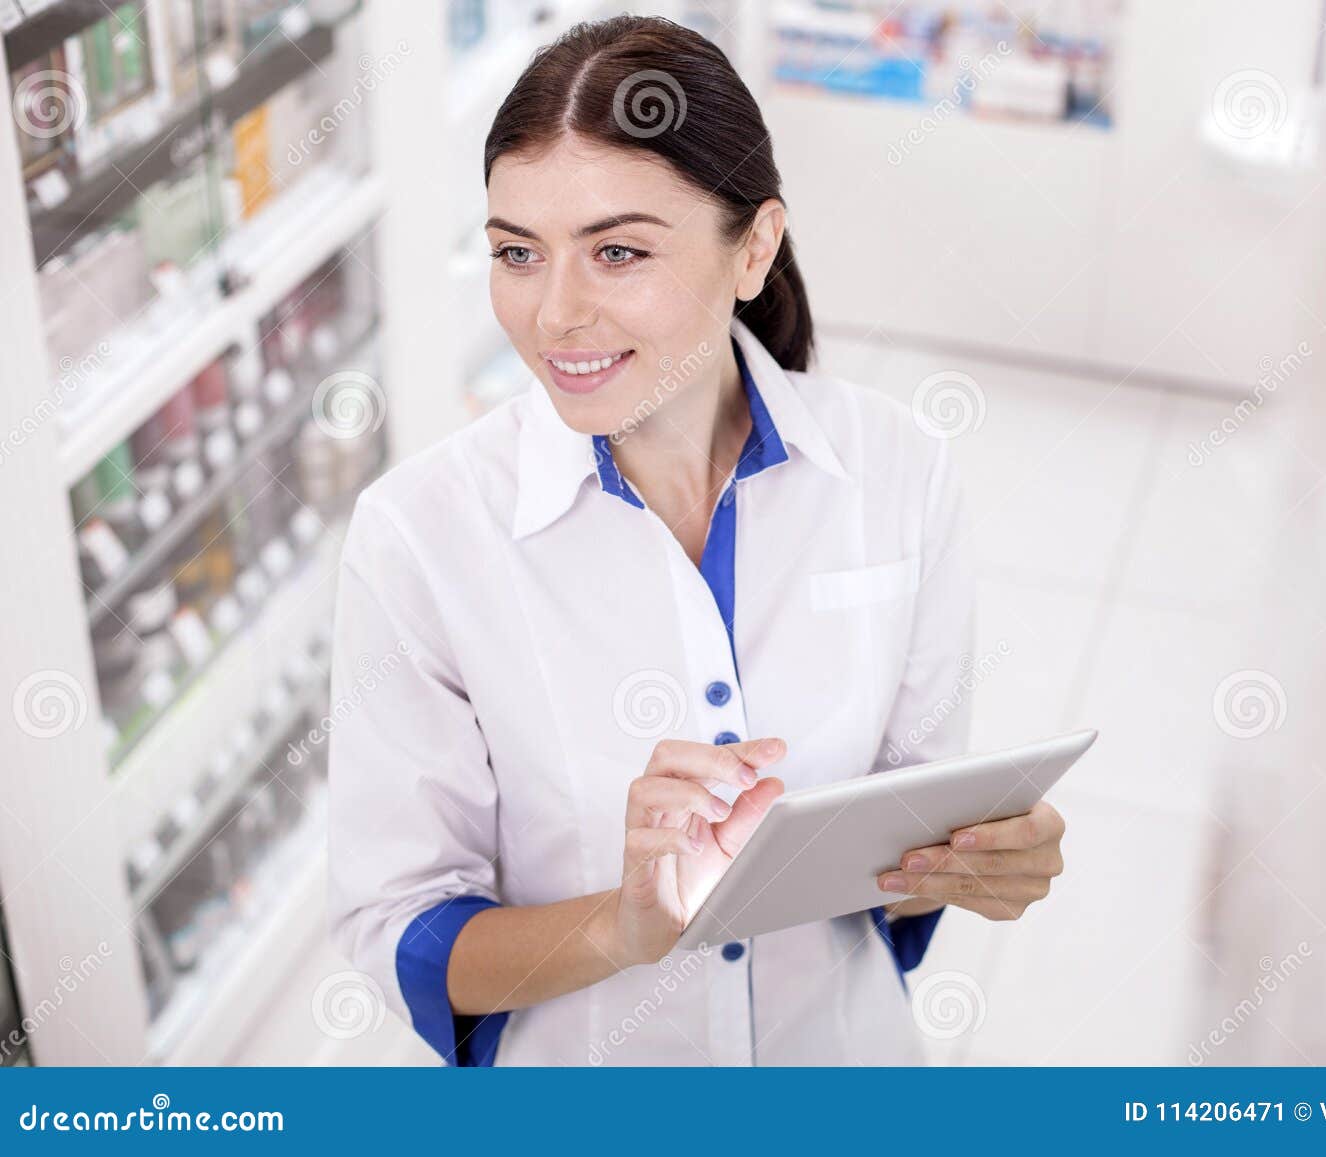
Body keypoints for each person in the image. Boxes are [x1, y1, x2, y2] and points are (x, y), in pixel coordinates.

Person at [327, 15, 1066, 1066]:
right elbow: (399, 928)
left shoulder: (896, 471)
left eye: (618, 251)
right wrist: (619, 926)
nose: (555, 313)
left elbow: (911, 822)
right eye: (516, 254)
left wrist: (983, 861)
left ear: (753, 247)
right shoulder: (420, 539)